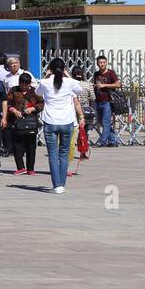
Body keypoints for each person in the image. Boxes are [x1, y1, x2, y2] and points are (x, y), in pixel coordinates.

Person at [34, 58, 84, 194]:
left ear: (50, 68)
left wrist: (47, 75)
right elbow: (80, 90)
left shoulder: (45, 82)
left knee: (53, 154)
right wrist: (66, 75)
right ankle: (61, 184)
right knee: (64, 153)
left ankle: (56, 185)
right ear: (64, 69)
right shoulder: (70, 82)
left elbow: (37, 92)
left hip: (50, 122)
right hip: (67, 121)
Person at [6, 73, 43, 175]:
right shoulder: (14, 90)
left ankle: (30, 168)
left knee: (31, 146)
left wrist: (33, 108)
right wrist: (13, 110)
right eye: (22, 84)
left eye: (26, 84)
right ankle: (20, 167)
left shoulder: (35, 91)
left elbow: (41, 103)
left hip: (31, 121)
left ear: (29, 83)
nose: (24, 86)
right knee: (17, 145)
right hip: (17, 122)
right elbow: (7, 103)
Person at [92, 55, 122, 146]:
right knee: (103, 123)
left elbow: (118, 84)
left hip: (107, 101)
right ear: (97, 63)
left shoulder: (110, 73)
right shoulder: (96, 74)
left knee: (105, 122)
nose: (102, 64)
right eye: (100, 62)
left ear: (106, 63)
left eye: (103, 62)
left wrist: (105, 85)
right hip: (98, 101)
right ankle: (113, 141)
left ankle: (102, 141)